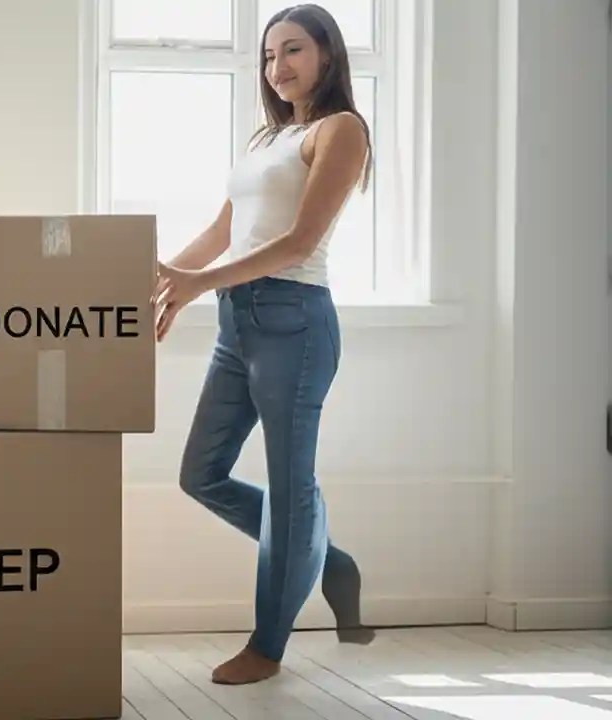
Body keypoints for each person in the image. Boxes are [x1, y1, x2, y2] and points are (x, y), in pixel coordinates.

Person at [153, 3, 377, 686]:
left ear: (328, 56)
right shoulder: (265, 139)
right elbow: (223, 231)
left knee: (288, 488)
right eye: (269, 56)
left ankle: (268, 645)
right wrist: (156, 280)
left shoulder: (341, 131)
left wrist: (196, 283)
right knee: (201, 472)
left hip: (294, 322)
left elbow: (299, 242)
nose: (278, 68)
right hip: (237, 322)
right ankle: (327, 558)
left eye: (294, 52)